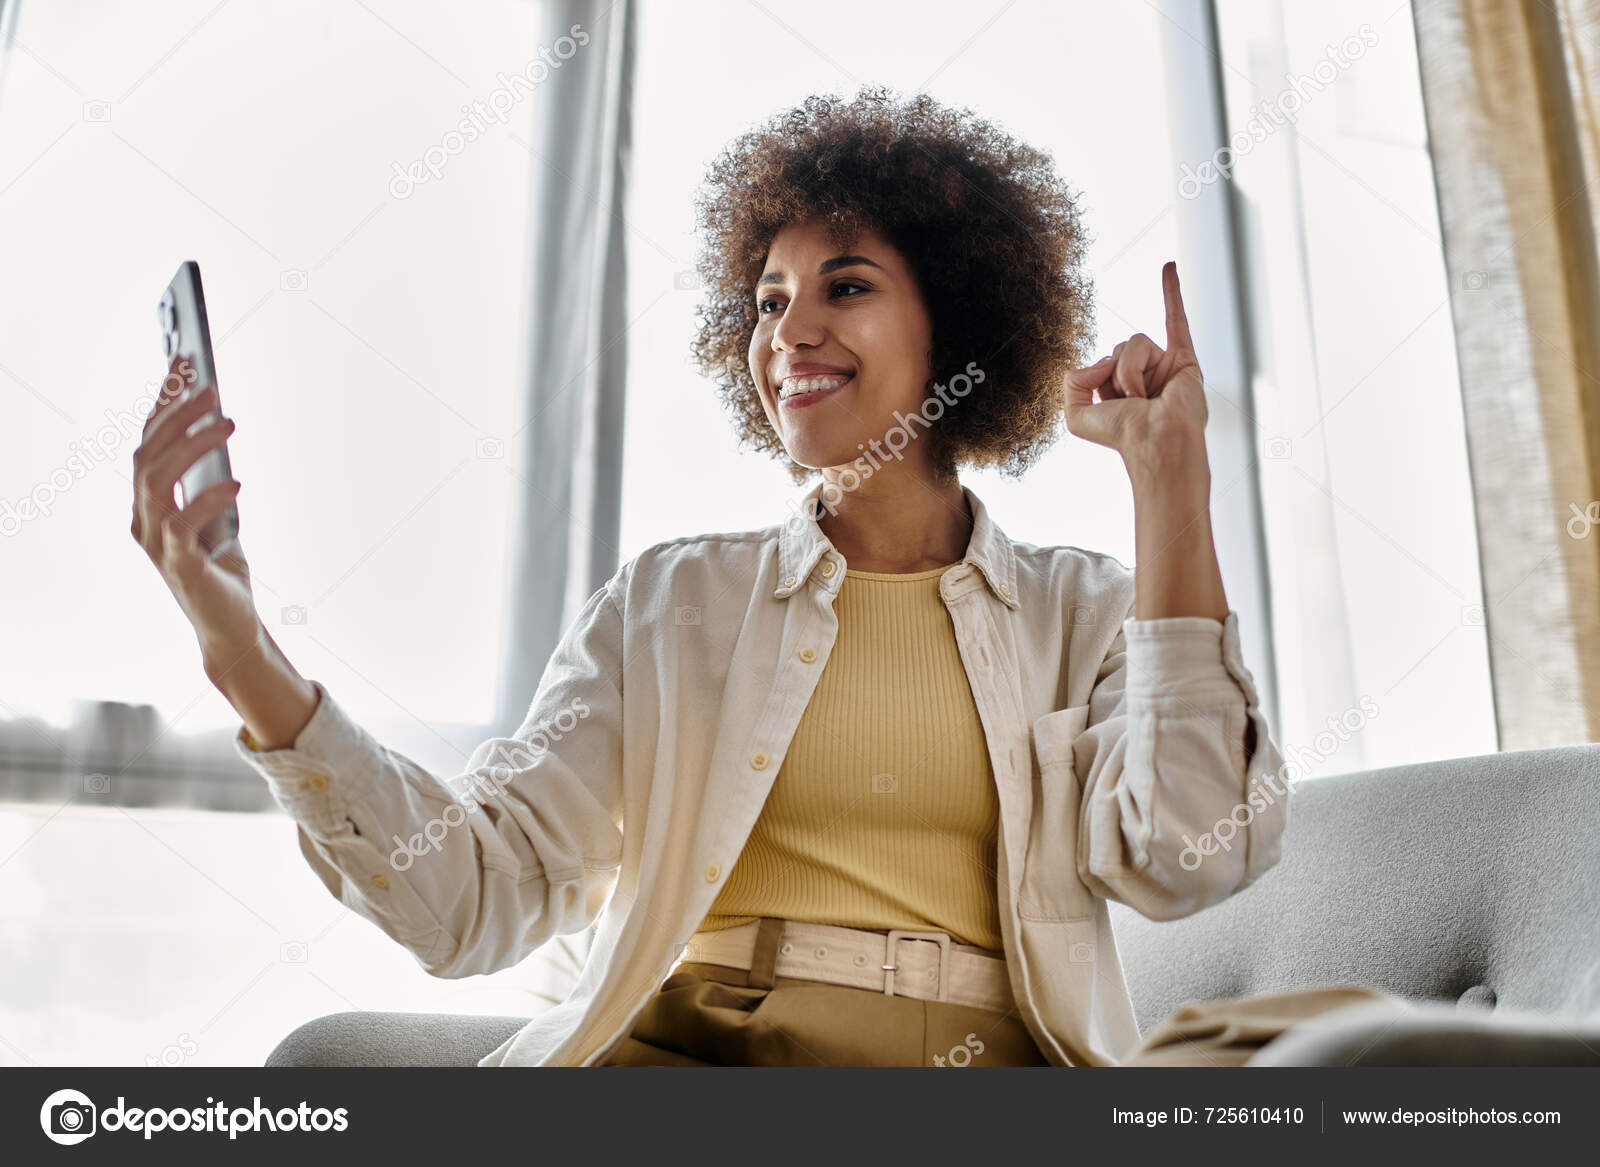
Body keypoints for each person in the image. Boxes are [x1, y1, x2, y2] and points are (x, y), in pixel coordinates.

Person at [130, 85, 1391, 1067]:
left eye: (845, 288)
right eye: (768, 296)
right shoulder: (675, 606)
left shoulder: (1086, 612)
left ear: (954, 324)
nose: (789, 332)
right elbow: (475, 897)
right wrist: (239, 644)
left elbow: (1184, 854)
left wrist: (1173, 489)